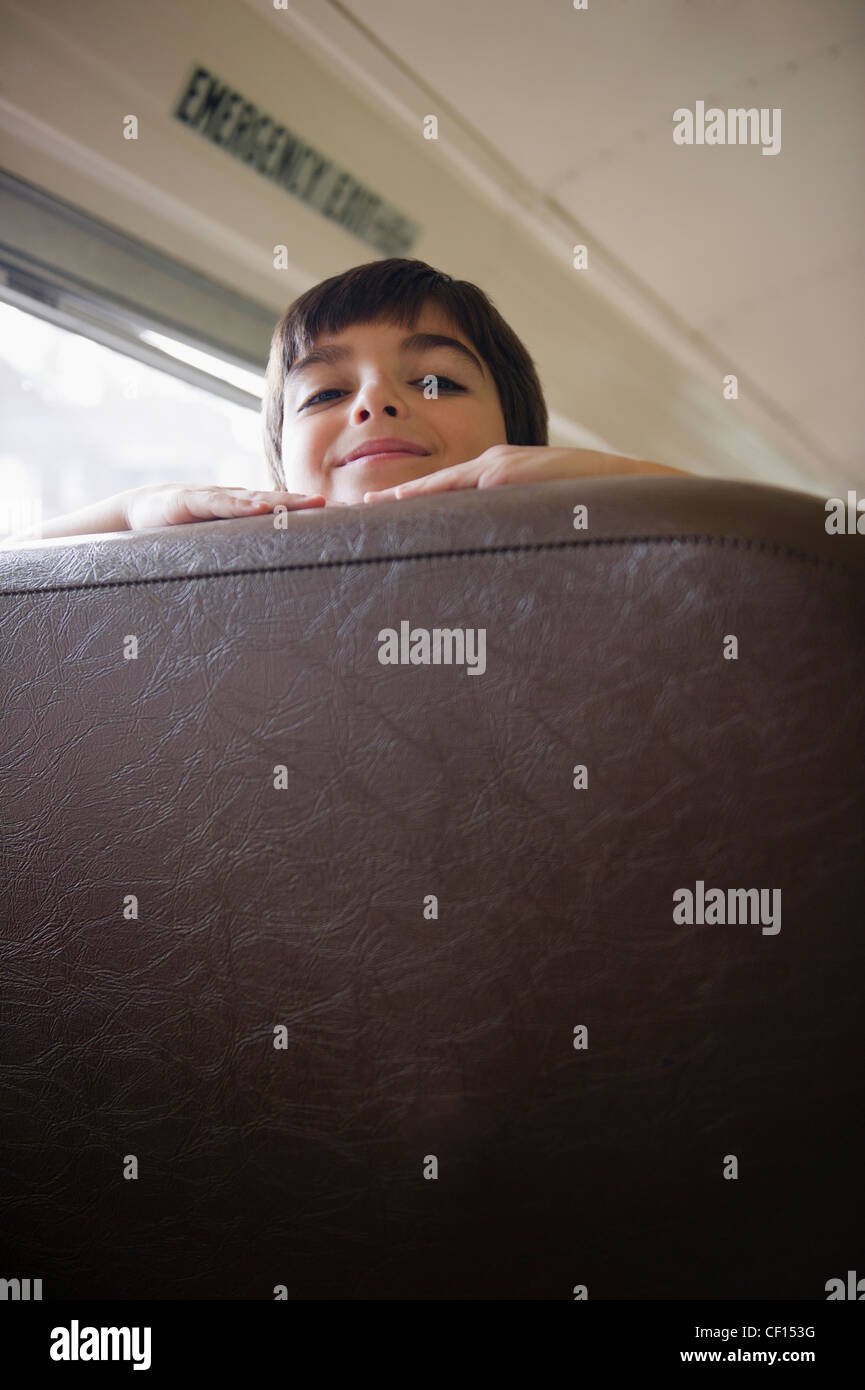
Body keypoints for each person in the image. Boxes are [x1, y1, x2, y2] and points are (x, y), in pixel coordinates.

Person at [7, 257, 687, 542]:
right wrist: (130, 519)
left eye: (434, 381)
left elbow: (769, 561)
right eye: (326, 392)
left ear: (519, 439)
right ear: (280, 468)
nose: (373, 403)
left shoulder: (586, 556)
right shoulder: (241, 582)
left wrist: (614, 483)